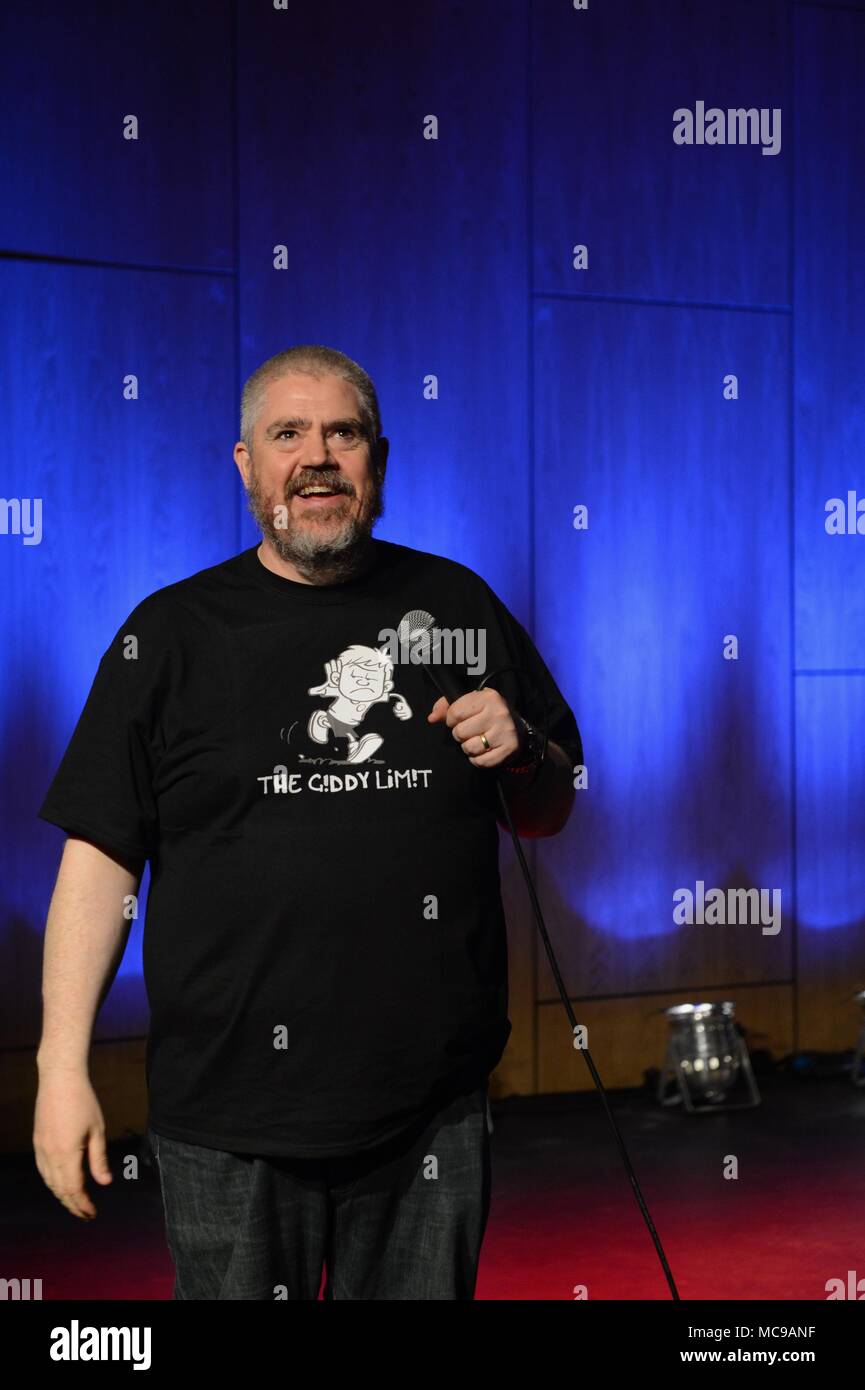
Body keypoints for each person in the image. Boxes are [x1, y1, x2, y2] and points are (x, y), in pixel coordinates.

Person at [33, 344, 582, 1300]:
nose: (317, 456)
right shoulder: (169, 635)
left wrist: (525, 748)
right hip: (229, 1119)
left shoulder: (453, 610)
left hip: (429, 1112)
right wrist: (59, 1067)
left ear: (379, 459)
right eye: (287, 433)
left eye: (344, 433)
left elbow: (548, 811)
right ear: (245, 464)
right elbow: (99, 856)